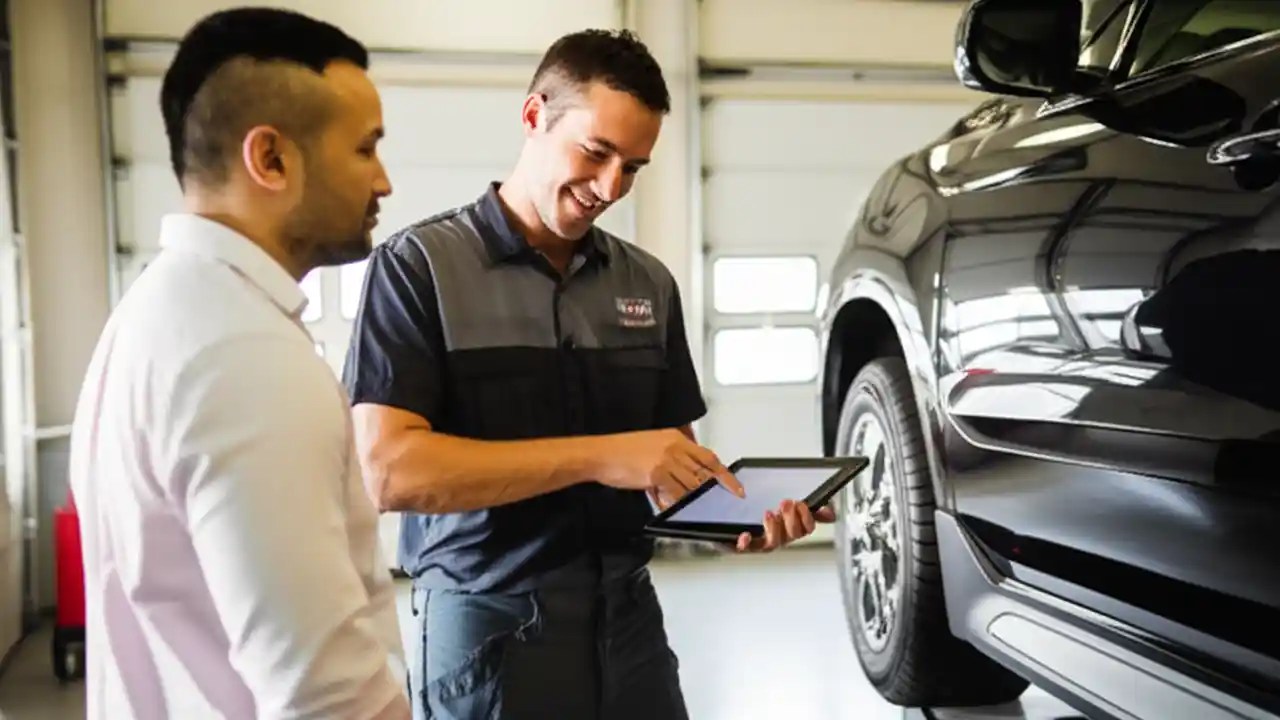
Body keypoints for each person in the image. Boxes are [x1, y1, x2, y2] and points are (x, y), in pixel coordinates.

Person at [343, 28, 835, 720]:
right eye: (596, 152)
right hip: (490, 631)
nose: (610, 187)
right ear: (533, 115)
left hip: (630, 624)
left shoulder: (649, 283)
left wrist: (740, 517)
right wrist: (605, 457)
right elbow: (390, 473)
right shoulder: (418, 268)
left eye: (633, 167)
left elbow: (666, 472)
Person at [67, 8, 407, 719]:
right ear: (271, 159)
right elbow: (324, 691)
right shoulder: (241, 354)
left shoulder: (159, 313)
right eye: (365, 149)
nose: (384, 182)